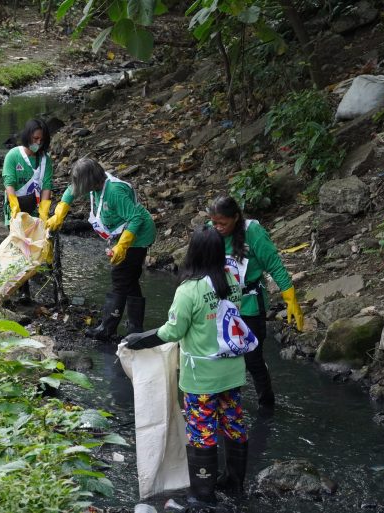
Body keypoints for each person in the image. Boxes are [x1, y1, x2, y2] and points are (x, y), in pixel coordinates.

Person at [124, 226, 251, 508]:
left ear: (193, 252)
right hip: (232, 371)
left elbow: (172, 331)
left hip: (201, 377)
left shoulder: (189, 290)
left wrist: (140, 339)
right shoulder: (231, 280)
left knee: (202, 428)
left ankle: (203, 493)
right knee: (233, 422)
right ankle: (234, 483)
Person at [207, 195, 304, 414]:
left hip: (250, 303)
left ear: (236, 217)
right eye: (215, 223)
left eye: (223, 223)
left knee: (252, 358)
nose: (218, 228)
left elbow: (276, 266)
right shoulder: (210, 231)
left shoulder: (254, 234)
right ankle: (222, 404)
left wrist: (291, 299)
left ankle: (266, 405)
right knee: (220, 355)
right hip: (221, 303)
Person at [47, 157, 155, 340]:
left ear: (91, 181)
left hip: (138, 236)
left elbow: (136, 218)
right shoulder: (95, 185)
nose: (79, 189)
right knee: (129, 279)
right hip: (121, 234)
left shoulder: (114, 192)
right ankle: (135, 329)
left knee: (120, 278)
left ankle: (107, 328)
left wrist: (122, 245)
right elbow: (70, 191)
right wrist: (59, 214)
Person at [2, 118, 54, 302]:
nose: (37, 143)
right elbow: (9, 183)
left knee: (35, 247)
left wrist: (44, 212)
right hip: (16, 204)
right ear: (27, 136)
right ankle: (22, 290)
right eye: (35, 139)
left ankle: (42, 285)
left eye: (41, 140)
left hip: (36, 205)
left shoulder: (45, 160)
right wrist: (15, 209)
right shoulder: (13, 156)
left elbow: (47, 185)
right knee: (19, 248)